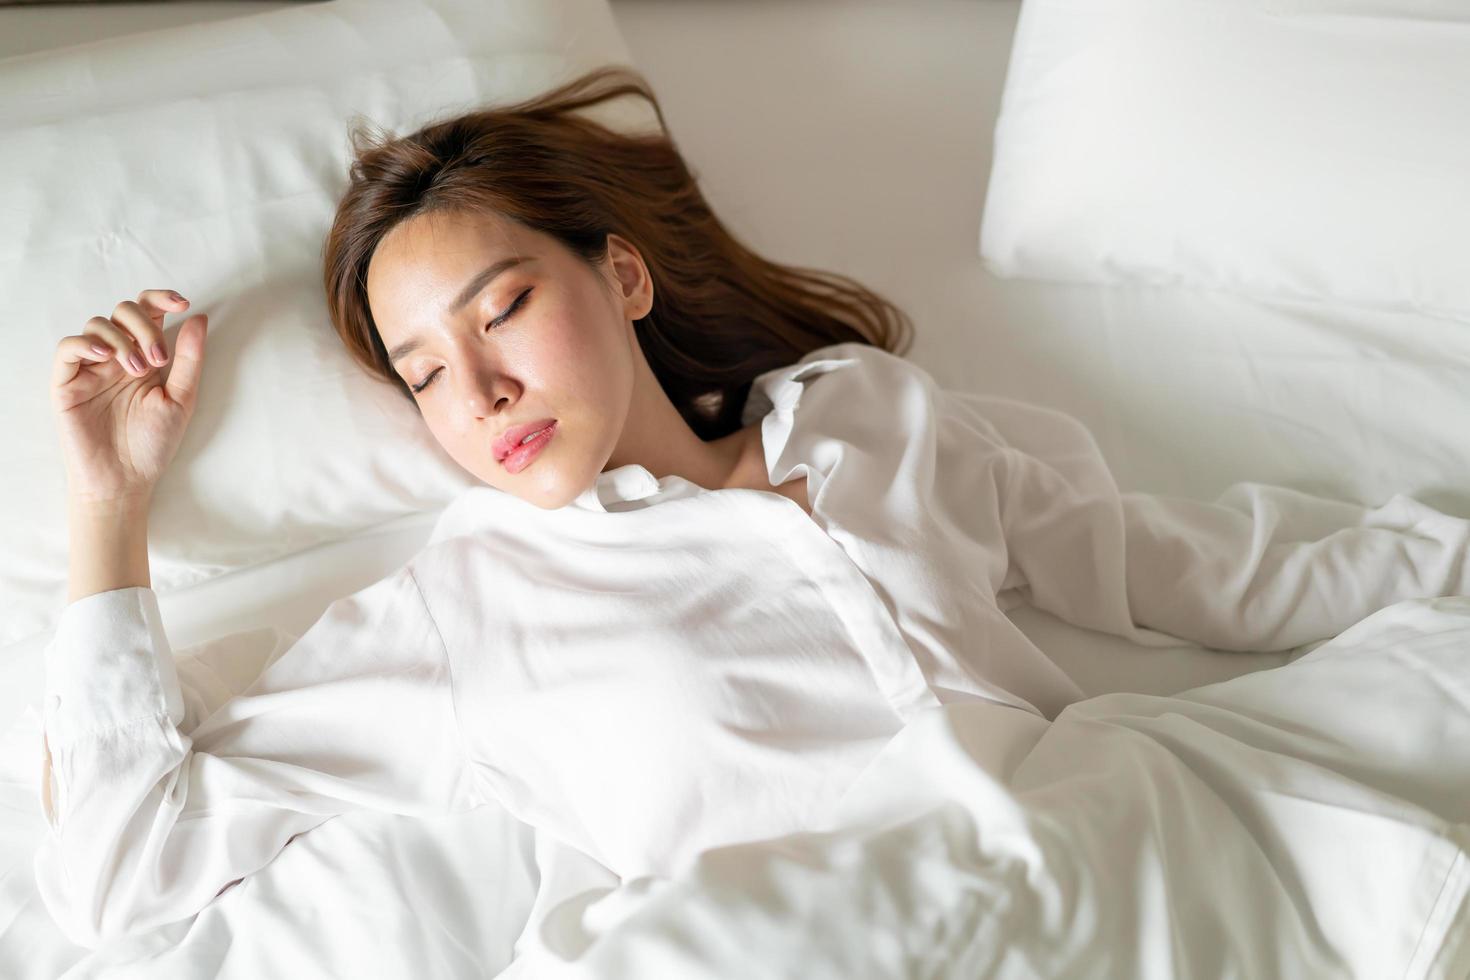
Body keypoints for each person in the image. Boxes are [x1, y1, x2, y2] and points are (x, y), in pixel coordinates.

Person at [38, 65, 1470, 952]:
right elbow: (124, 872)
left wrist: (1431, 564)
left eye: (505, 311)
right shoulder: (462, 607)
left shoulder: (866, 413)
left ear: (623, 277)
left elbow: (1163, 569)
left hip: (1090, 851)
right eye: (424, 374)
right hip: (809, 939)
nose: (476, 391)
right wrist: (113, 507)